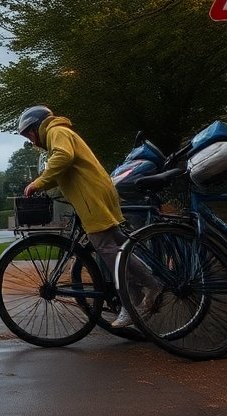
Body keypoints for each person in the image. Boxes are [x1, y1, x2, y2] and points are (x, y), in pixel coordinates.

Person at [17, 105, 160, 328]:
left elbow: (64, 157)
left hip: (90, 198)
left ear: (37, 126)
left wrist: (39, 182)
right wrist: (44, 184)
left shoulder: (56, 131)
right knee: (120, 245)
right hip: (96, 194)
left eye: (29, 134)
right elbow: (65, 167)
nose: (31, 141)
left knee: (108, 251)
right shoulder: (60, 132)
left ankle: (134, 300)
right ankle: (147, 285)